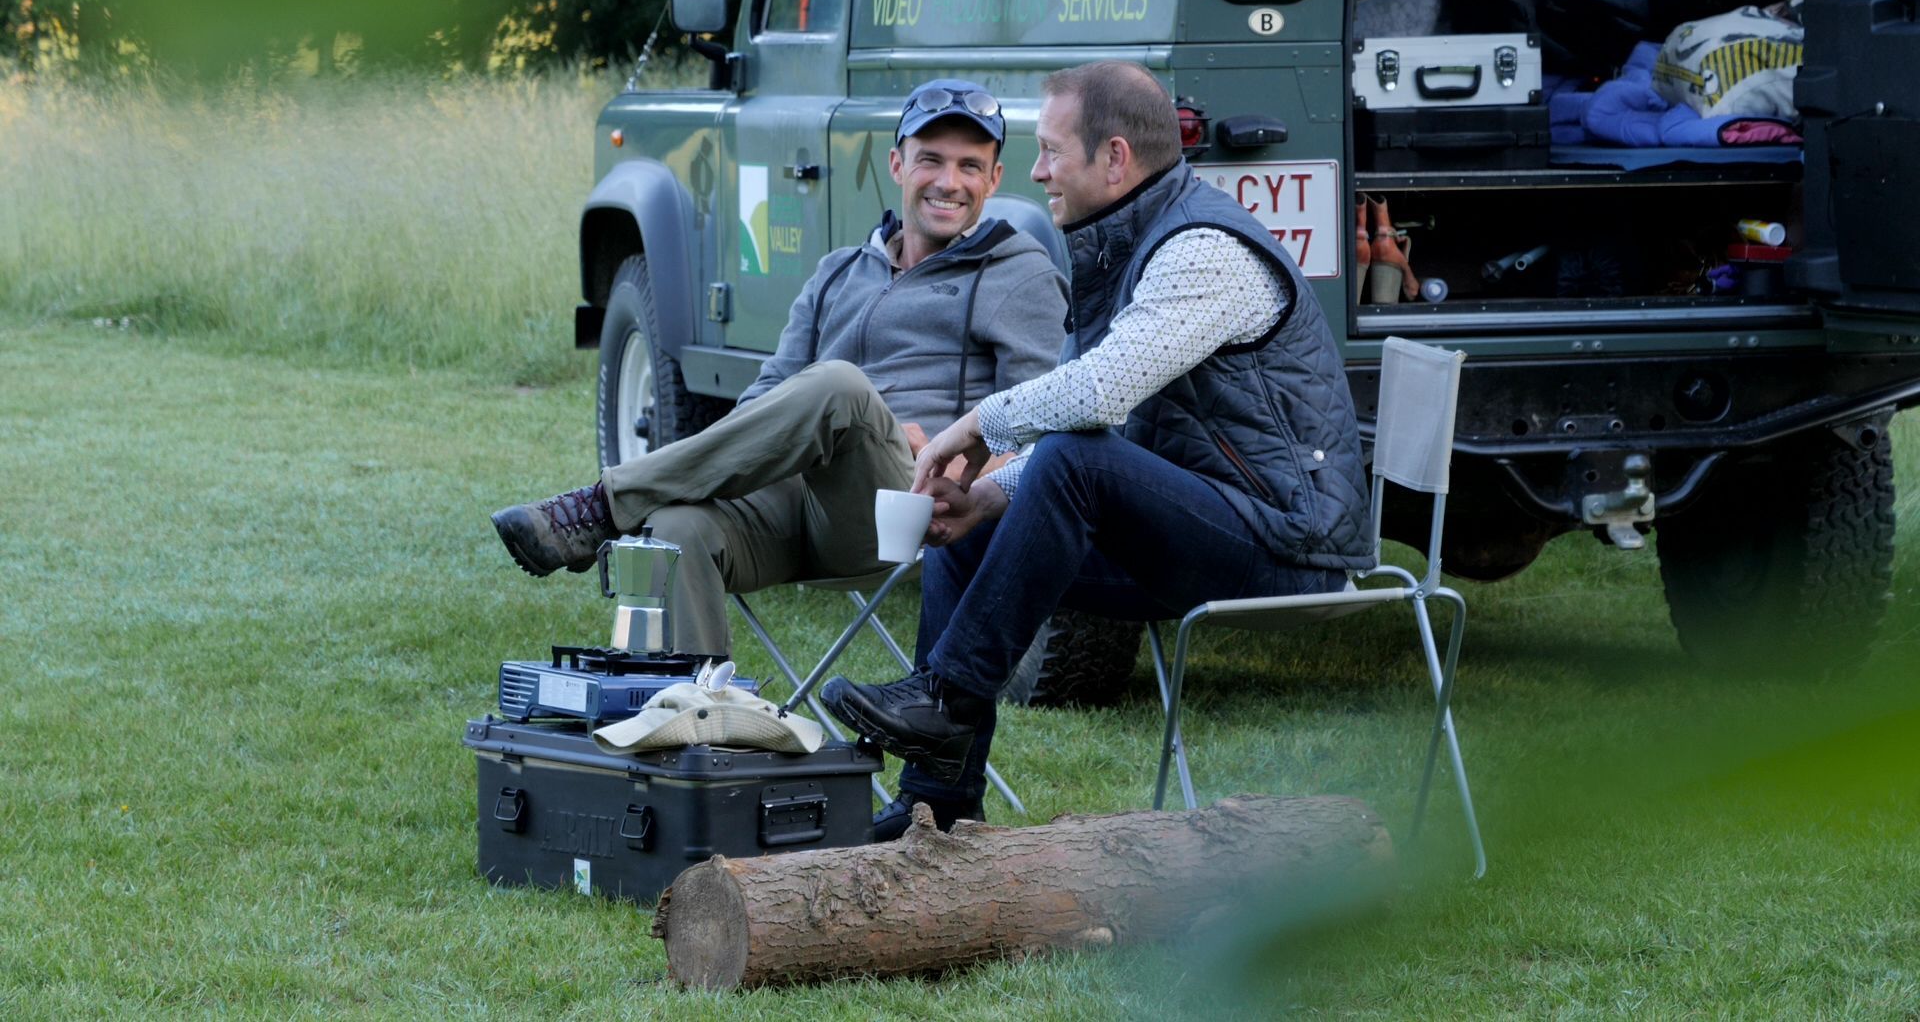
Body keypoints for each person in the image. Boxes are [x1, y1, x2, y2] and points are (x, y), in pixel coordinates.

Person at [821, 61, 1375, 840]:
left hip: (1291, 541)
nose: (1038, 169)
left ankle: (944, 702)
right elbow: (1115, 425)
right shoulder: (1133, 237)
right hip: (1209, 519)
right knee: (968, 526)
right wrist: (981, 498)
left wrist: (978, 427)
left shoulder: (1203, 248)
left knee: (1072, 460)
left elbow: (1100, 398)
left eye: (1051, 150)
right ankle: (935, 807)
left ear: (1114, 160)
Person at [491, 80, 1068, 675]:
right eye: (931, 161)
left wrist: (957, 472)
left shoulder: (1020, 275)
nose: (950, 182)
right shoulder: (840, 270)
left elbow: (1038, 432)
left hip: (905, 508)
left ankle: (601, 506)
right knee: (675, 529)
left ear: (995, 180)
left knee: (839, 386)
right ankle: (697, 727)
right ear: (897, 164)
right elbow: (764, 398)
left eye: (970, 166)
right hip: (799, 504)